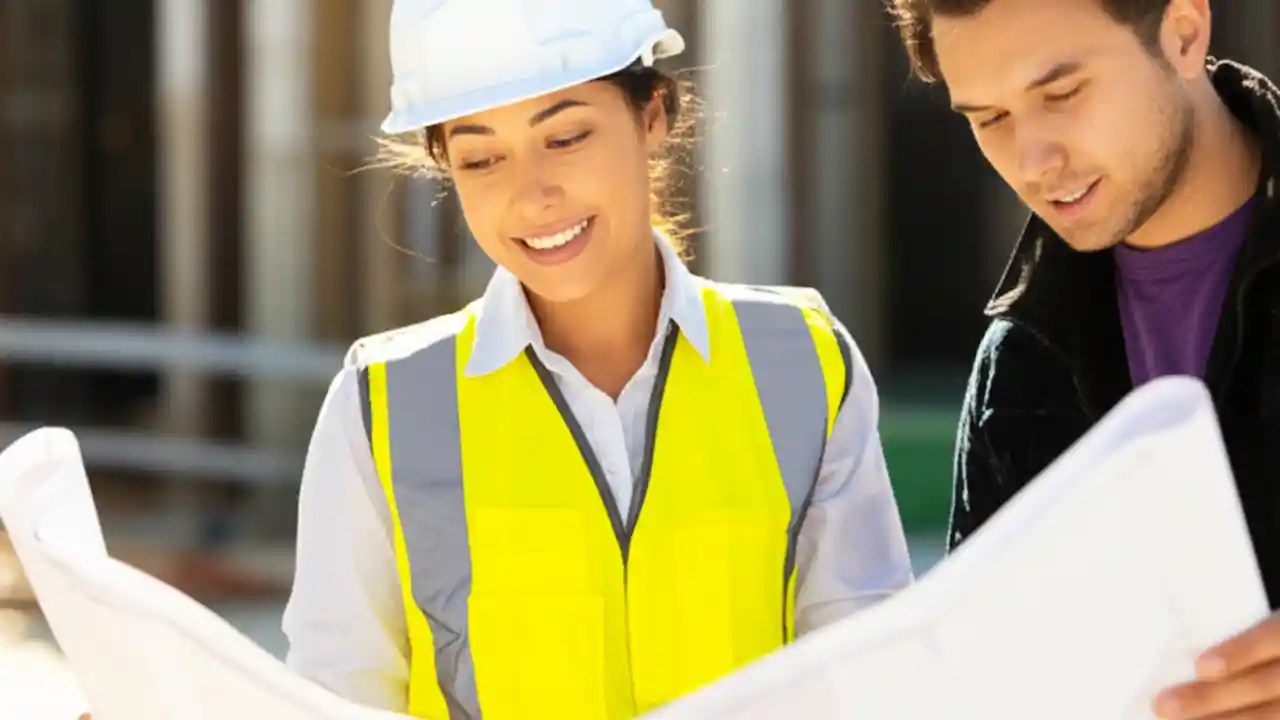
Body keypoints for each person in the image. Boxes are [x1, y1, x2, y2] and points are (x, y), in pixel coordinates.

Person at [281, 1, 913, 718]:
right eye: (481, 159)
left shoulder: (801, 363)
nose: (532, 196)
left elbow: (867, 677)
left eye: (567, 137)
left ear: (653, 115)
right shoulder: (385, 406)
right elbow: (335, 696)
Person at [888, 0, 1280, 716]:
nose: (1032, 161)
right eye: (989, 119)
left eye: (1062, 94)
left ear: (1184, 32)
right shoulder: (1017, 364)